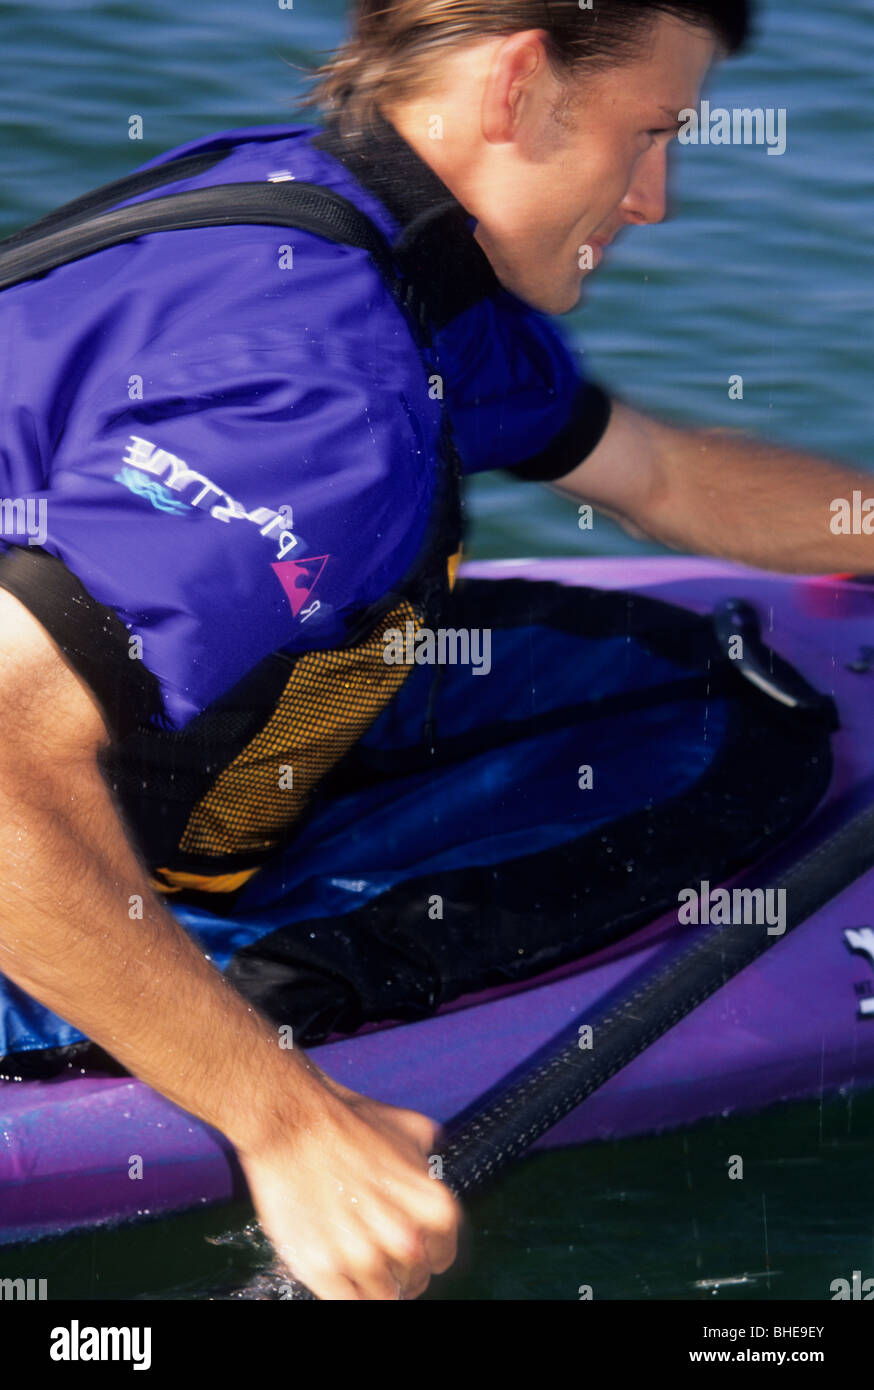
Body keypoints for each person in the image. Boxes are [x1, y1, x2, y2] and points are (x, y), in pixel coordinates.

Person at [0, 0, 868, 1301]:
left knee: (698, 695)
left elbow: (660, 471)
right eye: (648, 134)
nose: (656, 200)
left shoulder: (323, 214)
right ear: (517, 85)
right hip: (33, 854)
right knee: (722, 773)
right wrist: (288, 1126)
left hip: (100, 750)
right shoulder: (330, 408)